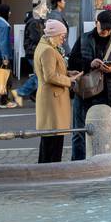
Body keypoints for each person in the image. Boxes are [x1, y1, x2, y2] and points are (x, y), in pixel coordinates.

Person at [68, 10, 111, 161]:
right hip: (84, 93)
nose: (105, 32)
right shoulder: (83, 39)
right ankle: (79, 163)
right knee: (79, 132)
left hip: (107, 95)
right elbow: (72, 63)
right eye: (103, 28)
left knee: (105, 131)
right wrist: (89, 64)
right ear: (96, 23)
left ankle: (102, 162)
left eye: (109, 29)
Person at [34, 20, 82, 164]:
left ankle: (45, 170)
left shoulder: (45, 46)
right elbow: (49, 76)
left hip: (50, 99)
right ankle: (51, 172)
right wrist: (69, 81)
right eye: (62, 36)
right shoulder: (48, 50)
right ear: (54, 35)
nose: (64, 39)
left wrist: (67, 72)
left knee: (49, 140)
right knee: (53, 141)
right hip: (53, 100)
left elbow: (51, 71)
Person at [16, 0, 49, 104]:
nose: (46, 7)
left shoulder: (37, 20)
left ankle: (32, 94)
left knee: (39, 75)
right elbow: (37, 39)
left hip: (35, 51)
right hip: (34, 52)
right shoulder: (34, 22)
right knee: (40, 75)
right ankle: (20, 92)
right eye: (44, 5)